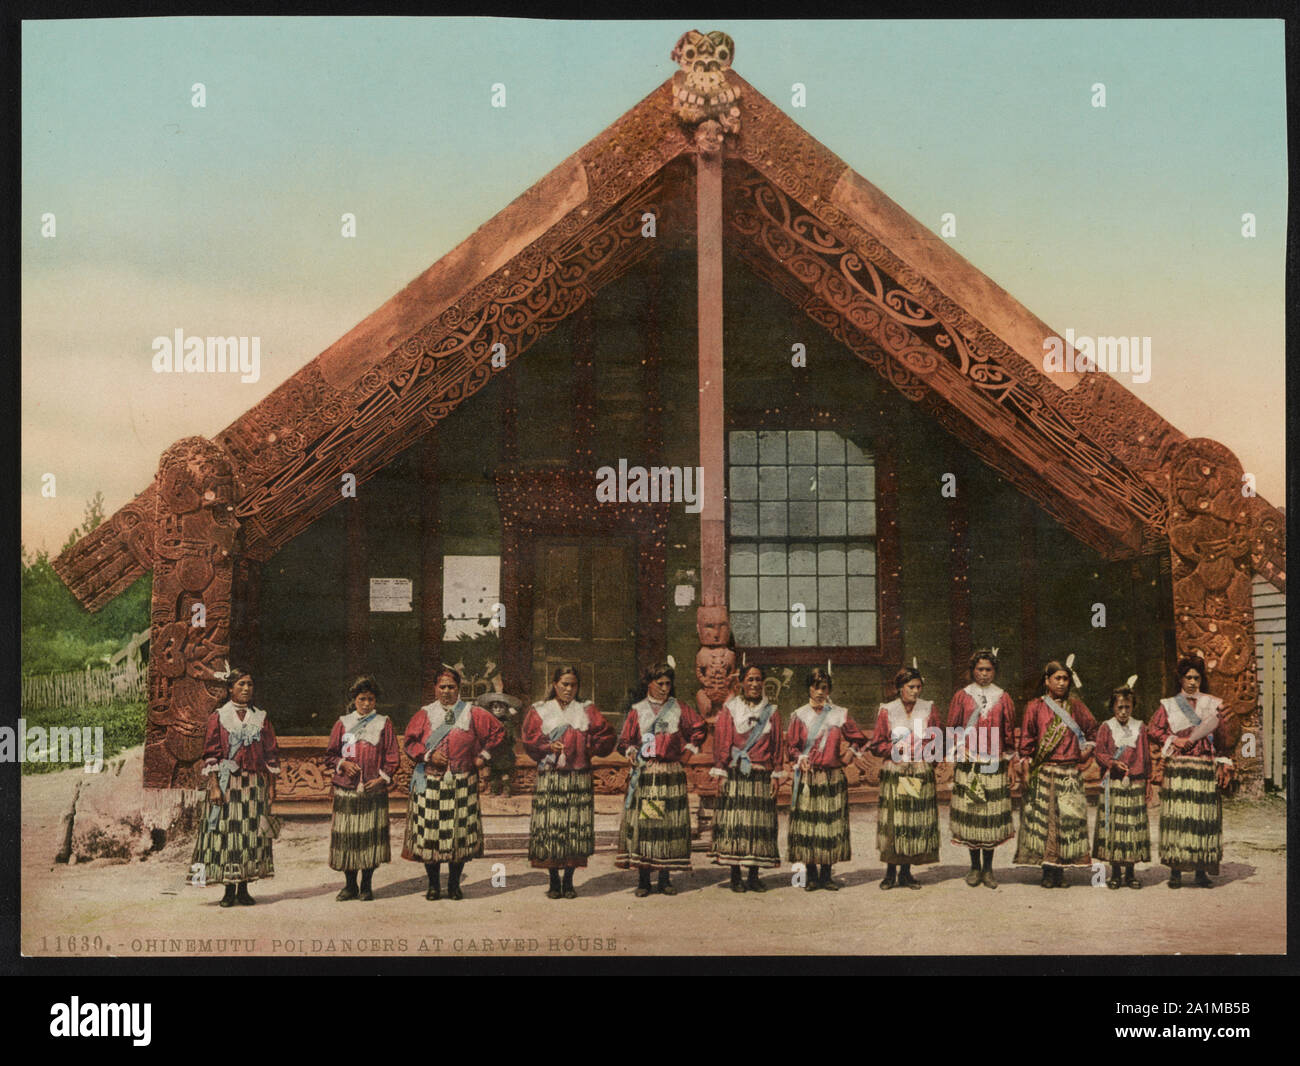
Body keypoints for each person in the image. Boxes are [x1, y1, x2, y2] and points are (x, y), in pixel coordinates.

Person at [401, 666, 505, 901]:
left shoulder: (472, 712)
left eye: (452, 687)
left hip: (462, 782)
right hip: (431, 782)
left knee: (459, 836)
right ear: (435, 689)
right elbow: (409, 743)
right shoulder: (424, 714)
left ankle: (455, 885)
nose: (447, 691)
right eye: (442, 687)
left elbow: (499, 734)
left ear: (458, 689)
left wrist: (482, 757)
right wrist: (428, 755)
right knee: (431, 836)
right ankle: (434, 886)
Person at [521, 666, 616, 899]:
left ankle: (569, 881)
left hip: (578, 777)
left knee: (574, 829)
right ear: (555, 685)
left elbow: (607, 735)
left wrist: (587, 747)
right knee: (551, 828)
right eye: (564, 684)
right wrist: (546, 746)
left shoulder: (586, 710)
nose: (568, 689)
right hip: (551, 776)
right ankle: (554, 881)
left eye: (573, 684)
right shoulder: (540, 710)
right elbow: (529, 739)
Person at [191, 666, 280, 907]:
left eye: (249, 684)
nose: (246, 688)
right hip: (227, 783)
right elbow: (211, 754)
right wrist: (214, 787)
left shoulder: (260, 717)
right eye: (241, 684)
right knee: (227, 835)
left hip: (254, 784)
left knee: (251, 835)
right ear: (230, 688)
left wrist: (271, 787)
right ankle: (229, 891)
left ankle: (244, 889)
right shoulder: (219, 717)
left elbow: (271, 753)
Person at [616, 663, 706, 897]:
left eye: (668, 684)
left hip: (671, 774)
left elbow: (698, 729)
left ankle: (665, 878)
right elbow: (625, 740)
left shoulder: (679, 708)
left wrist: (686, 754)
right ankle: (644, 880)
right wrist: (632, 752)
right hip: (649, 775)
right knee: (649, 825)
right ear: (649, 684)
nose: (665, 688)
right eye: (660, 684)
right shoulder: (638, 710)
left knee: (668, 826)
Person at [1149, 655, 1235, 889]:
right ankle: (1176, 871)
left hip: (1204, 767)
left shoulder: (1212, 703)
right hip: (1179, 768)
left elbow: (1222, 738)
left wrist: (1222, 763)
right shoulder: (1168, 704)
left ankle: (1201, 871)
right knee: (1179, 819)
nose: (1192, 682)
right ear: (1180, 678)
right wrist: (1172, 739)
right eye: (1188, 677)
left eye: (1197, 678)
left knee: (1202, 820)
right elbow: (1153, 729)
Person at [1014, 659, 1099, 887]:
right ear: (1047, 681)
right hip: (1045, 771)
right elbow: (1027, 741)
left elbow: (1092, 731)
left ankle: (1061, 871)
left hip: (1069, 772)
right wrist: (1026, 765)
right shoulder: (1035, 707)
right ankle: (1048, 870)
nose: (1061, 683)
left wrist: (1086, 751)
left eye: (1065, 679)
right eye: (1057, 678)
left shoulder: (1076, 707)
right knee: (1046, 822)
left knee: (1067, 822)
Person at [786, 666, 868, 892]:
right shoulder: (799, 715)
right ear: (808, 689)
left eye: (824, 687)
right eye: (815, 687)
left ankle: (827, 875)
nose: (820, 692)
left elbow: (858, 738)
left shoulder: (839, 713)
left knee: (830, 826)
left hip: (832, 776)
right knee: (810, 826)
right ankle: (810, 875)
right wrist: (800, 757)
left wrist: (849, 753)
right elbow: (792, 747)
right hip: (809, 777)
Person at [708, 664, 785, 892]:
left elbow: (778, 745)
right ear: (741, 682)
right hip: (736, 774)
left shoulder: (771, 711)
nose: (754, 684)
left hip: (761, 776)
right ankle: (734, 876)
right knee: (736, 825)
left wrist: (776, 774)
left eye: (758, 679)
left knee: (758, 826)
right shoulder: (730, 709)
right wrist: (721, 772)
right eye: (749, 679)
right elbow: (722, 741)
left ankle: (753, 875)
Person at [324, 676, 399, 901]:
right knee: (348, 838)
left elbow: (392, 756)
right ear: (354, 700)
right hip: (346, 790)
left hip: (372, 790)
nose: (366, 704)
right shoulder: (343, 723)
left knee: (369, 840)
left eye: (370, 699)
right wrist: (343, 764)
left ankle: (366, 886)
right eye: (362, 699)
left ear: (376, 701)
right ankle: (349, 886)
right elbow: (330, 755)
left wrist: (381, 779)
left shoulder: (384, 723)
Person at [946, 649, 1016, 888]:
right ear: (972, 670)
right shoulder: (962, 696)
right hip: (969, 764)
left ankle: (989, 869)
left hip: (993, 764)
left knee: (990, 816)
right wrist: (958, 747)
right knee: (973, 815)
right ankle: (974, 867)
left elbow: (1008, 732)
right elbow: (953, 727)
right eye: (980, 670)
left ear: (994, 671)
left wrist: (1007, 761)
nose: (984, 674)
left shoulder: (1002, 697)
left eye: (988, 670)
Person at [869, 666, 942, 890]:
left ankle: (907, 873)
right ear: (900, 688)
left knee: (912, 820)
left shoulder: (927, 708)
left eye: (919, 687)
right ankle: (890, 872)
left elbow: (938, 738)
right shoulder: (888, 710)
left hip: (918, 770)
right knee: (895, 820)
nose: (915, 691)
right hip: (896, 771)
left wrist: (928, 760)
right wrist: (895, 749)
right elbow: (877, 744)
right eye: (911, 687)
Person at [1092, 683, 1151, 889]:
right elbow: (1099, 752)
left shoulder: (1140, 727)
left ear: (1133, 707)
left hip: (1134, 784)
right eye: (1120, 708)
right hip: (1114, 784)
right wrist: (1112, 763)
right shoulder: (1106, 727)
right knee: (1116, 829)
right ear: (1113, 708)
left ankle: (1131, 873)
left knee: (1132, 828)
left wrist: (1147, 781)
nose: (1124, 712)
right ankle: (1115, 873)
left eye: (1127, 707)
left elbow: (1146, 757)